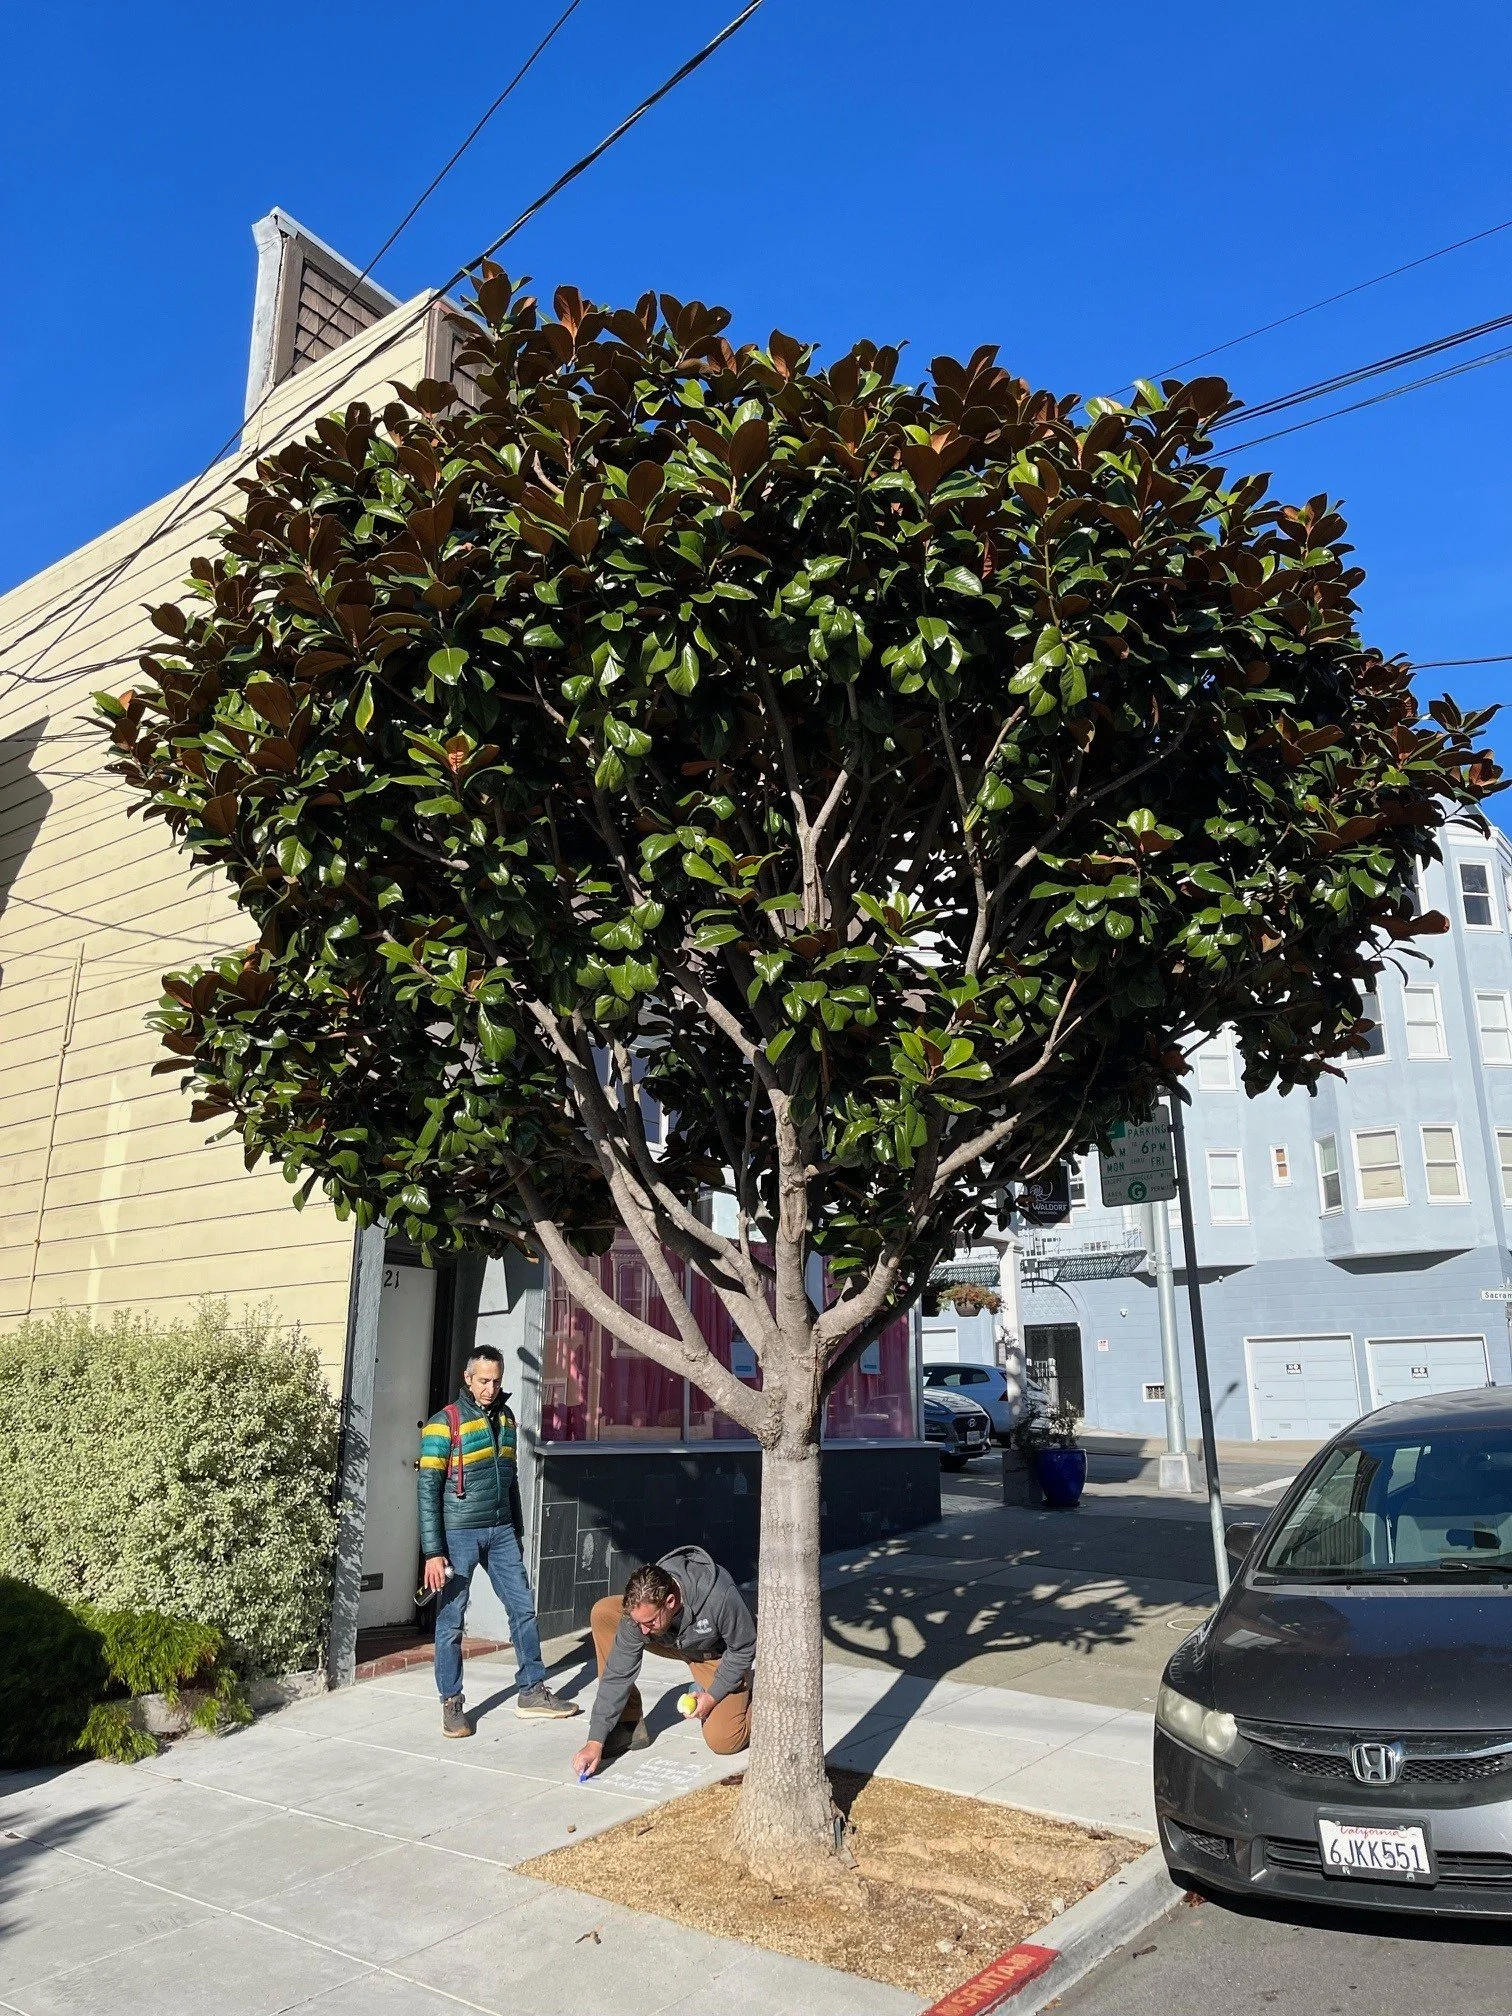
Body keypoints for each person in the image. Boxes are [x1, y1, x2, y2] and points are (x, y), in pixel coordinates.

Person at [418, 1344, 579, 1736]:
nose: (490, 1388)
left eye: (496, 1381)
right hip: (458, 1533)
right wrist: (433, 1552)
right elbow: (427, 1489)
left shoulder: (505, 1419)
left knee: (523, 1609)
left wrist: (518, 1532)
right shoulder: (445, 1422)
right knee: (452, 1619)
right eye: (484, 1380)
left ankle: (532, 1690)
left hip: (502, 1531)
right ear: (467, 1379)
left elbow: (511, 1482)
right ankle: (452, 1703)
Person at [571, 1549, 755, 1778]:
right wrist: (595, 1741)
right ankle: (626, 1725)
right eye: (639, 1623)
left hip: (714, 1656)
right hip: (673, 1642)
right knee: (605, 1612)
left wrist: (713, 1696)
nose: (643, 1631)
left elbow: (744, 1648)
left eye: (649, 1622)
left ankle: (758, 1695)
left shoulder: (718, 1595)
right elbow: (617, 1673)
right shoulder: (641, 1620)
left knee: (724, 1739)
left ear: (670, 1601)